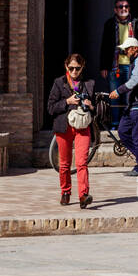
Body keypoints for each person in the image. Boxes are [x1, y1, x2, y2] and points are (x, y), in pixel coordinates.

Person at [47, 53, 95, 209]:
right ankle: (66, 192)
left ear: (82, 68)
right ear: (66, 67)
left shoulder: (89, 84)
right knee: (65, 164)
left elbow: (96, 110)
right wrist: (67, 101)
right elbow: (51, 108)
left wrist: (90, 105)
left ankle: (83, 195)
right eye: (71, 68)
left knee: (82, 162)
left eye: (77, 68)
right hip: (64, 127)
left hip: (82, 128)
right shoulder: (59, 83)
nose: (74, 71)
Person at [109, 37, 138, 176]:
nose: (125, 52)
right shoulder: (135, 62)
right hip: (133, 104)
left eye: (127, 49)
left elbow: (135, 81)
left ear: (134, 48)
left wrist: (118, 90)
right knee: (123, 131)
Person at [100, 0, 138, 126]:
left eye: (126, 6)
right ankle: (115, 124)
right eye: (120, 6)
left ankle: (128, 124)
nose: (123, 9)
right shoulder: (109, 24)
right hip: (115, 66)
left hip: (132, 65)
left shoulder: (135, 22)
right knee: (115, 96)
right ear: (115, 9)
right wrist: (103, 66)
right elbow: (104, 46)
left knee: (129, 96)